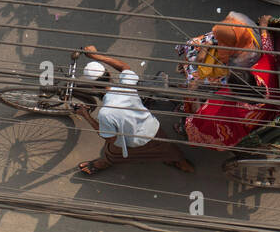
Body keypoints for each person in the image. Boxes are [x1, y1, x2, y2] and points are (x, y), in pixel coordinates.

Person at [71, 46, 193, 174]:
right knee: (166, 148)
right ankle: (181, 163)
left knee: (112, 152)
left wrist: (86, 115)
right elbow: (124, 67)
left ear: (93, 86)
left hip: (135, 141)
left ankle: (104, 163)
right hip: (153, 129)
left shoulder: (106, 113)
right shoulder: (127, 85)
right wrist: (97, 56)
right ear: (108, 74)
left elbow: (110, 138)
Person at [184, 51, 278, 148]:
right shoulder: (264, 69)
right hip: (267, 115)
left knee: (194, 96)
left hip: (242, 130)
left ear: (235, 91)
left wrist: (195, 96)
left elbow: (201, 119)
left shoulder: (233, 111)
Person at [177, 12, 268, 88]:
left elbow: (201, 59)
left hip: (222, 66)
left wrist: (207, 46)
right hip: (227, 48)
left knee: (194, 53)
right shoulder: (244, 35)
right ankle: (187, 65)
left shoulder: (241, 59)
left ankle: (187, 67)